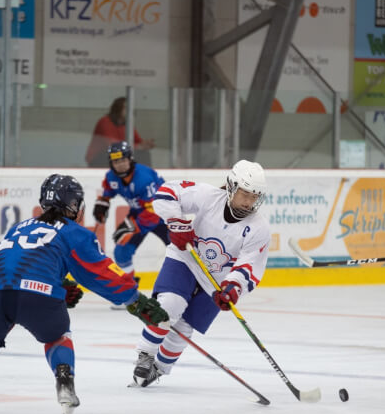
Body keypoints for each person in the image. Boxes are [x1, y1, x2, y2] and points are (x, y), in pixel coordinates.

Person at [0, 174, 170, 414]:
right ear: (73, 204)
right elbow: (99, 272)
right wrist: (135, 301)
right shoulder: (74, 232)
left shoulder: (19, 227)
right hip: (37, 295)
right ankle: (65, 384)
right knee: (58, 337)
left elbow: (12, 263)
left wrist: (59, 284)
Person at [130, 159, 271, 387]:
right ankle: (145, 354)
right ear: (232, 186)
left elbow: (250, 266)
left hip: (217, 281)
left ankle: (160, 368)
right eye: (245, 194)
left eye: (254, 196)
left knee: (185, 327)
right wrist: (176, 223)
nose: (249, 202)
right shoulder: (208, 196)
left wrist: (233, 288)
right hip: (186, 258)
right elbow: (166, 193)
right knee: (170, 305)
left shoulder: (259, 228)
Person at [92, 141, 169, 288]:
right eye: (115, 161)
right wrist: (103, 202)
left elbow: (153, 213)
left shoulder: (144, 178)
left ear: (130, 159)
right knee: (122, 251)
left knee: (181, 252)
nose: (119, 164)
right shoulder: (111, 177)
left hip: (165, 214)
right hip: (140, 213)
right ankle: (128, 288)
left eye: (122, 160)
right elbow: (109, 188)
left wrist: (132, 226)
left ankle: (194, 285)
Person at [85, 97, 155, 168]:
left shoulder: (127, 125)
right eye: (126, 108)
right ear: (118, 109)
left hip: (118, 155)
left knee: (143, 154)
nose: (130, 111)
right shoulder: (105, 122)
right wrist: (138, 146)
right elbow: (113, 145)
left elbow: (137, 141)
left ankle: (145, 175)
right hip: (101, 157)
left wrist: (145, 145)